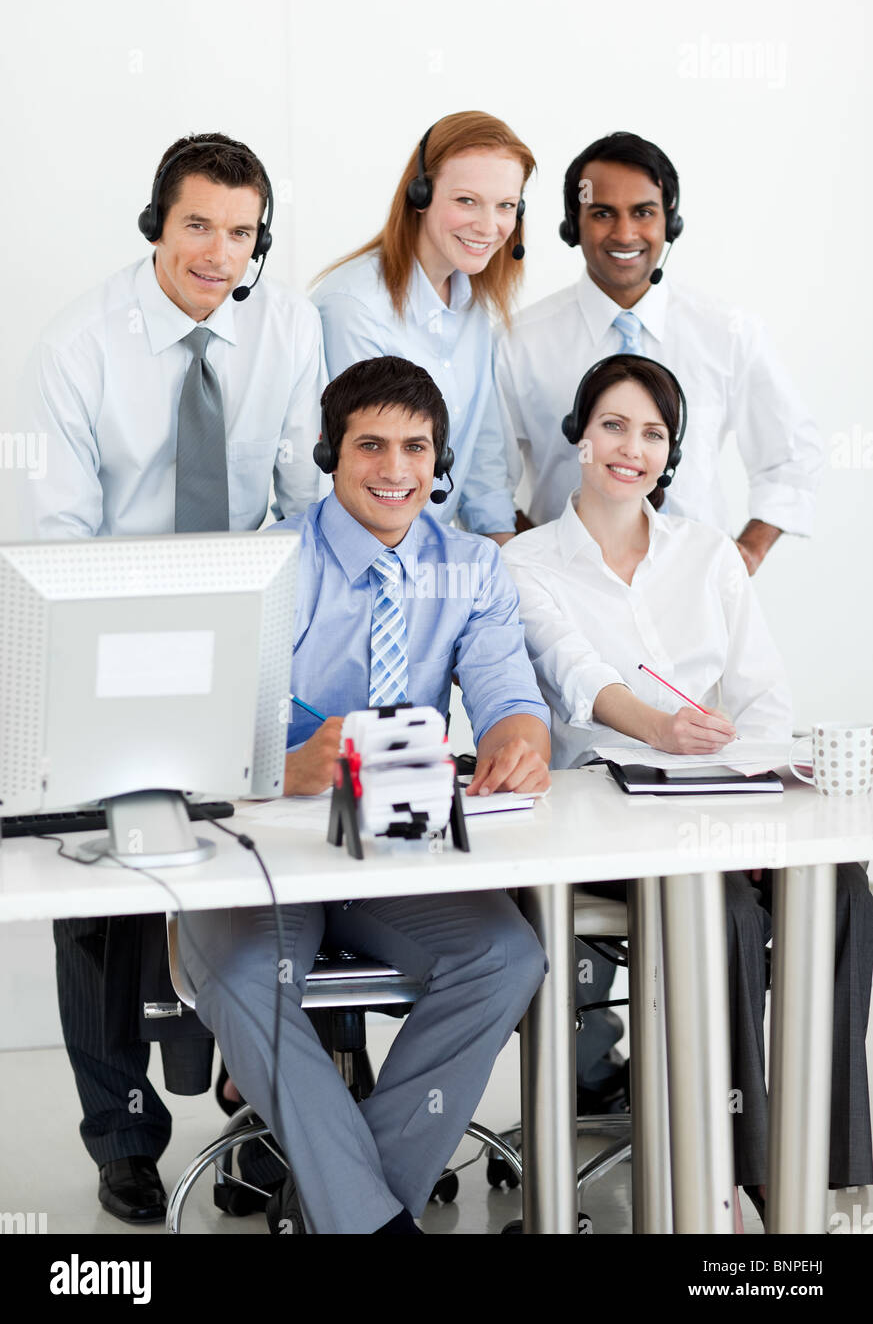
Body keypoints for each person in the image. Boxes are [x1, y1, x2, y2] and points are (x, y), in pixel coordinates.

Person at [19, 132, 328, 1223]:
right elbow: (53, 537)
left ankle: (268, 1115)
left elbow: (303, 494)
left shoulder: (289, 328)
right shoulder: (79, 345)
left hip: (248, 622)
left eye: (241, 232)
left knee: (276, 869)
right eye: (198, 224)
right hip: (111, 626)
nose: (218, 251)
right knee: (104, 900)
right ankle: (123, 1133)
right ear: (157, 223)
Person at [177, 355, 552, 1234]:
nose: (395, 469)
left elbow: (509, 699)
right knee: (240, 974)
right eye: (371, 445)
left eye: (416, 447)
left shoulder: (471, 568)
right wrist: (284, 765)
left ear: (439, 460)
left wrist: (516, 739)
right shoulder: (265, 564)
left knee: (506, 958)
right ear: (330, 454)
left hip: (397, 839)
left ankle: (343, 1212)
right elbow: (194, 735)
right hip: (260, 850)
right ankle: (374, 1224)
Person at [502, 353, 873, 1212]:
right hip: (603, 820)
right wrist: (659, 727)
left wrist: (764, 755)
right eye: (614, 426)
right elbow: (575, 677)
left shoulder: (708, 555)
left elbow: (762, 699)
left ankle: (832, 1162)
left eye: (653, 434)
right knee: (728, 915)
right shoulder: (527, 563)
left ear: (671, 454)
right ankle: (742, 1169)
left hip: (720, 802)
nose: (631, 448)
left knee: (844, 888)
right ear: (580, 435)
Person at [495, 131, 823, 574]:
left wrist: (746, 553)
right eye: (603, 213)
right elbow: (486, 478)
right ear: (572, 225)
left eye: (643, 212)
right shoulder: (518, 342)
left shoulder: (729, 333)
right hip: (567, 593)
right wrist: (533, 561)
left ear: (671, 222)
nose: (625, 233)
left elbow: (791, 454)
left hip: (697, 591)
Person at [312, 110, 534, 543]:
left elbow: (483, 457)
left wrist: (504, 560)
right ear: (421, 194)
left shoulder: (474, 306)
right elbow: (360, 468)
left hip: (429, 555)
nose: (489, 226)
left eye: (506, 205)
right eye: (466, 201)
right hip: (360, 557)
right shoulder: (354, 307)